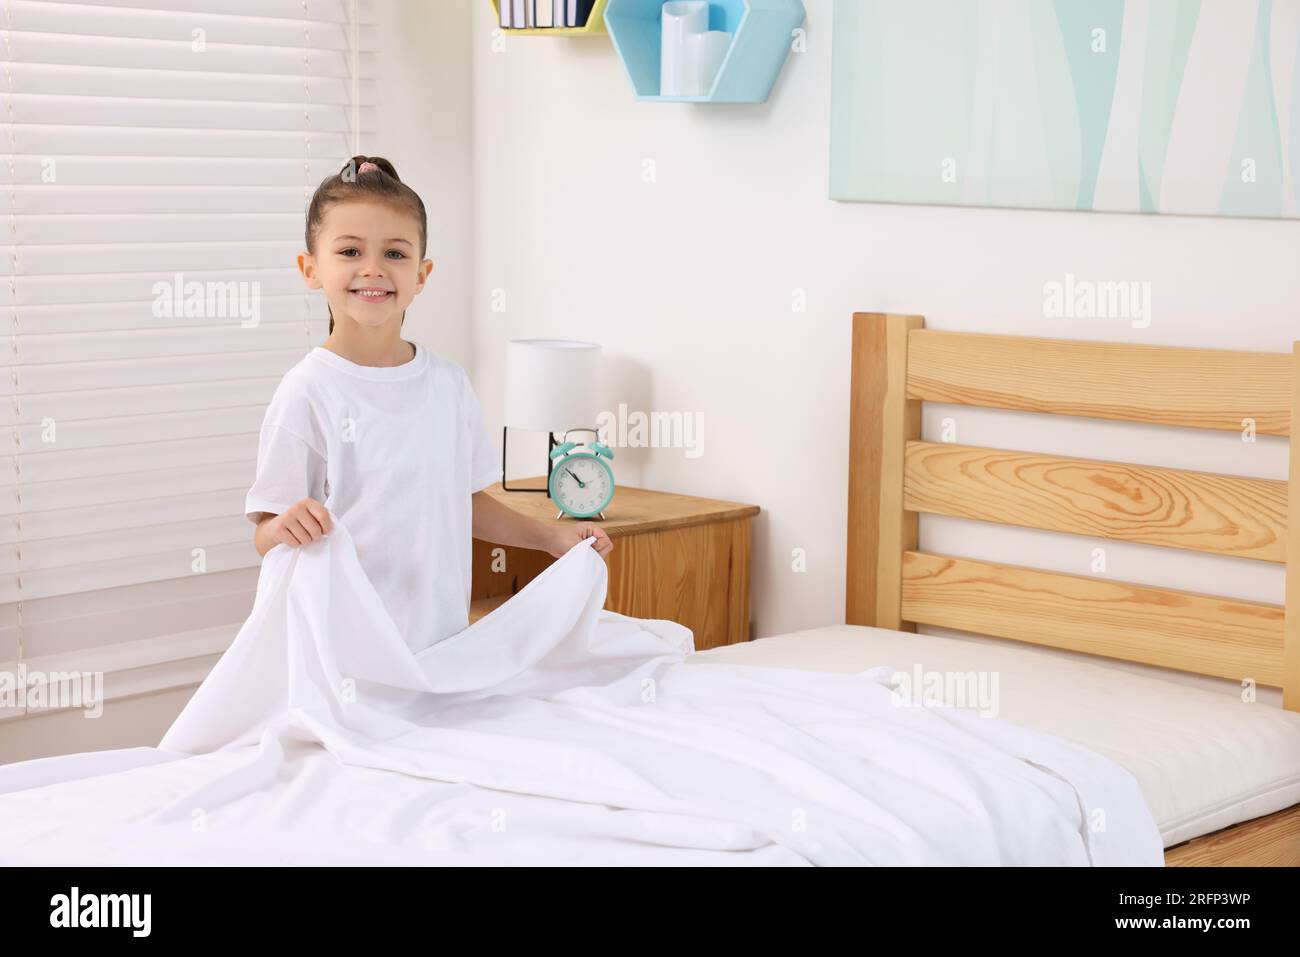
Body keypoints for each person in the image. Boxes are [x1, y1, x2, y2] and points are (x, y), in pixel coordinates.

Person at [245, 155, 613, 653]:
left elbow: (466, 503)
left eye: (395, 254)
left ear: (422, 274)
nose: (372, 269)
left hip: (437, 643)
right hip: (343, 650)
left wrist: (551, 539)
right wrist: (282, 527)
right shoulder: (307, 391)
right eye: (350, 251)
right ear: (310, 268)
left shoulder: (447, 384)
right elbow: (267, 532)